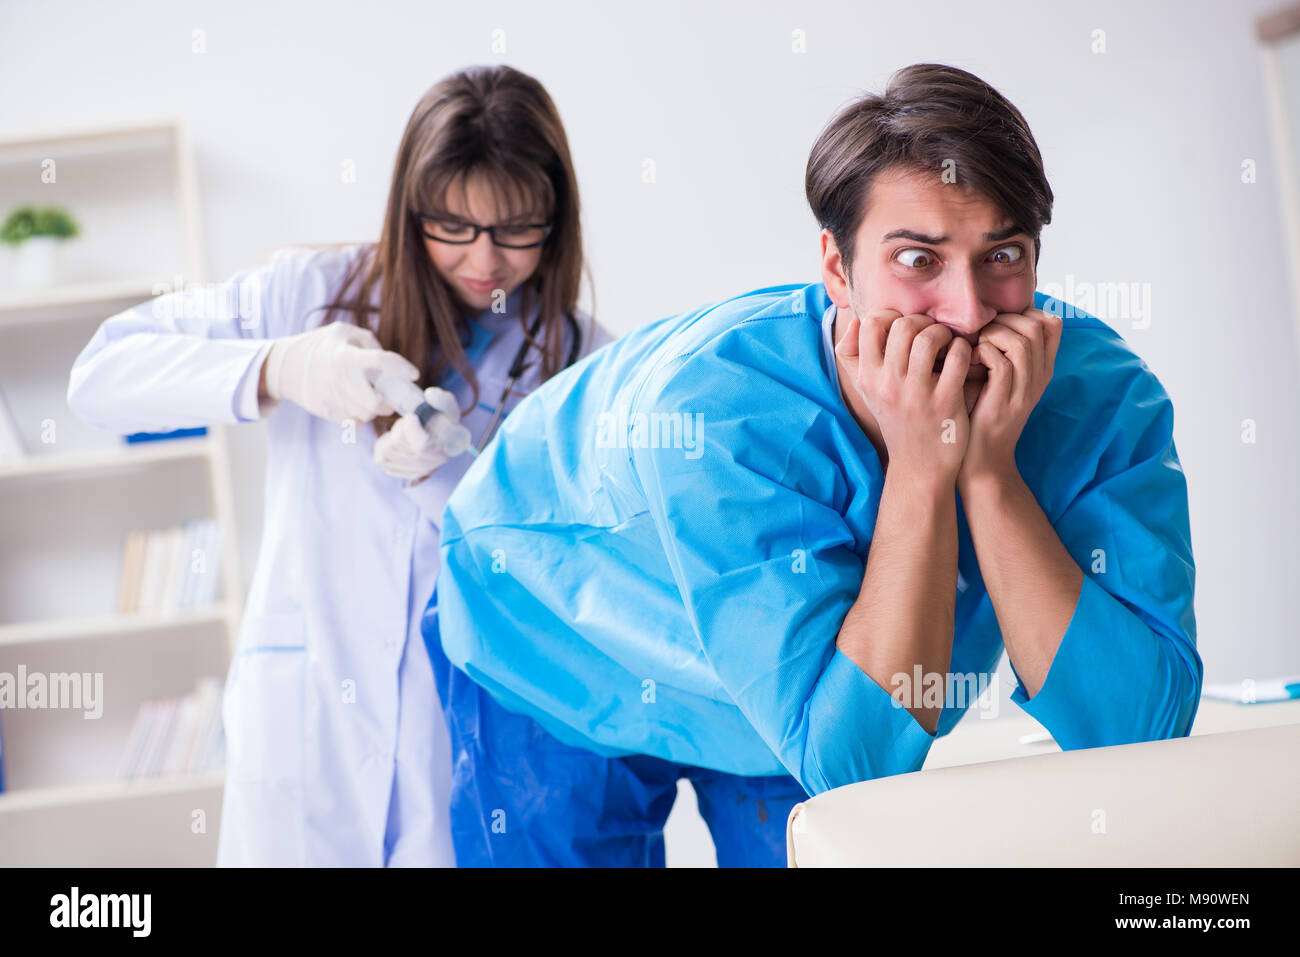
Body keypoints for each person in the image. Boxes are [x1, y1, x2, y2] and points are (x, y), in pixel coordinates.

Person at [424, 63, 1202, 867]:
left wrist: (988, 475)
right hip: (550, 632)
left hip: (800, 688)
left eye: (1002, 253)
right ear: (837, 269)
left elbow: (1135, 733)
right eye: (918, 261)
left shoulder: (1102, 397)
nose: (969, 312)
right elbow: (853, 763)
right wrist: (920, 466)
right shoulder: (709, 412)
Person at [67, 64, 611, 866]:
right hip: (306, 721)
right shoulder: (309, 295)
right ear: (408, 205)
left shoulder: (581, 360)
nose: (484, 259)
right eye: (453, 225)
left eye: (516, 227)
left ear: (556, 219)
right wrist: (279, 366)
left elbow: (570, 577)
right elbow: (99, 378)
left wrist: (447, 480)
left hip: (459, 742)